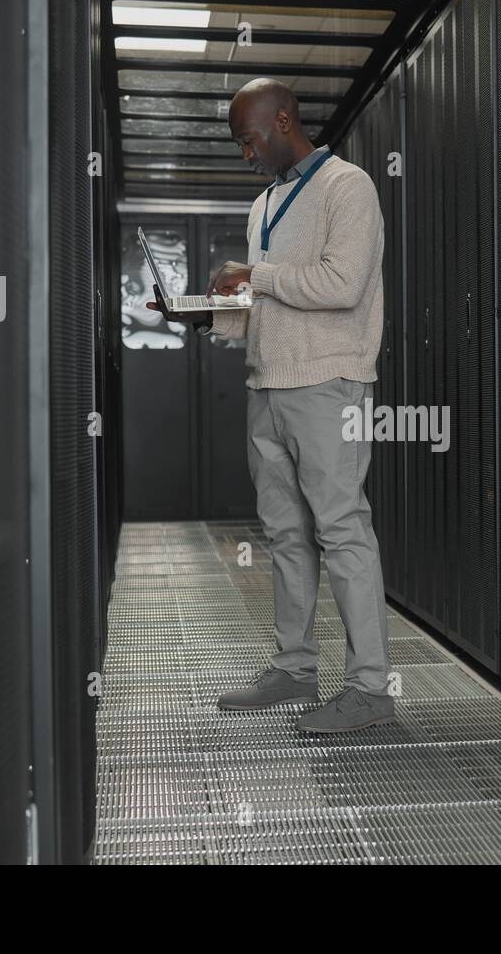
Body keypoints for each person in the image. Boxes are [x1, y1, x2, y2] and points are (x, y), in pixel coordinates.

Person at [149, 77, 393, 733]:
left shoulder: (348, 187)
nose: (244, 154)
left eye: (248, 139)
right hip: (268, 385)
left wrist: (253, 274)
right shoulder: (264, 204)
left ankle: (370, 688)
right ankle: (294, 667)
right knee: (286, 533)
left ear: (283, 120)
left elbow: (341, 285)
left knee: (341, 528)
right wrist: (206, 314)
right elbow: (266, 304)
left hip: (328, 384)